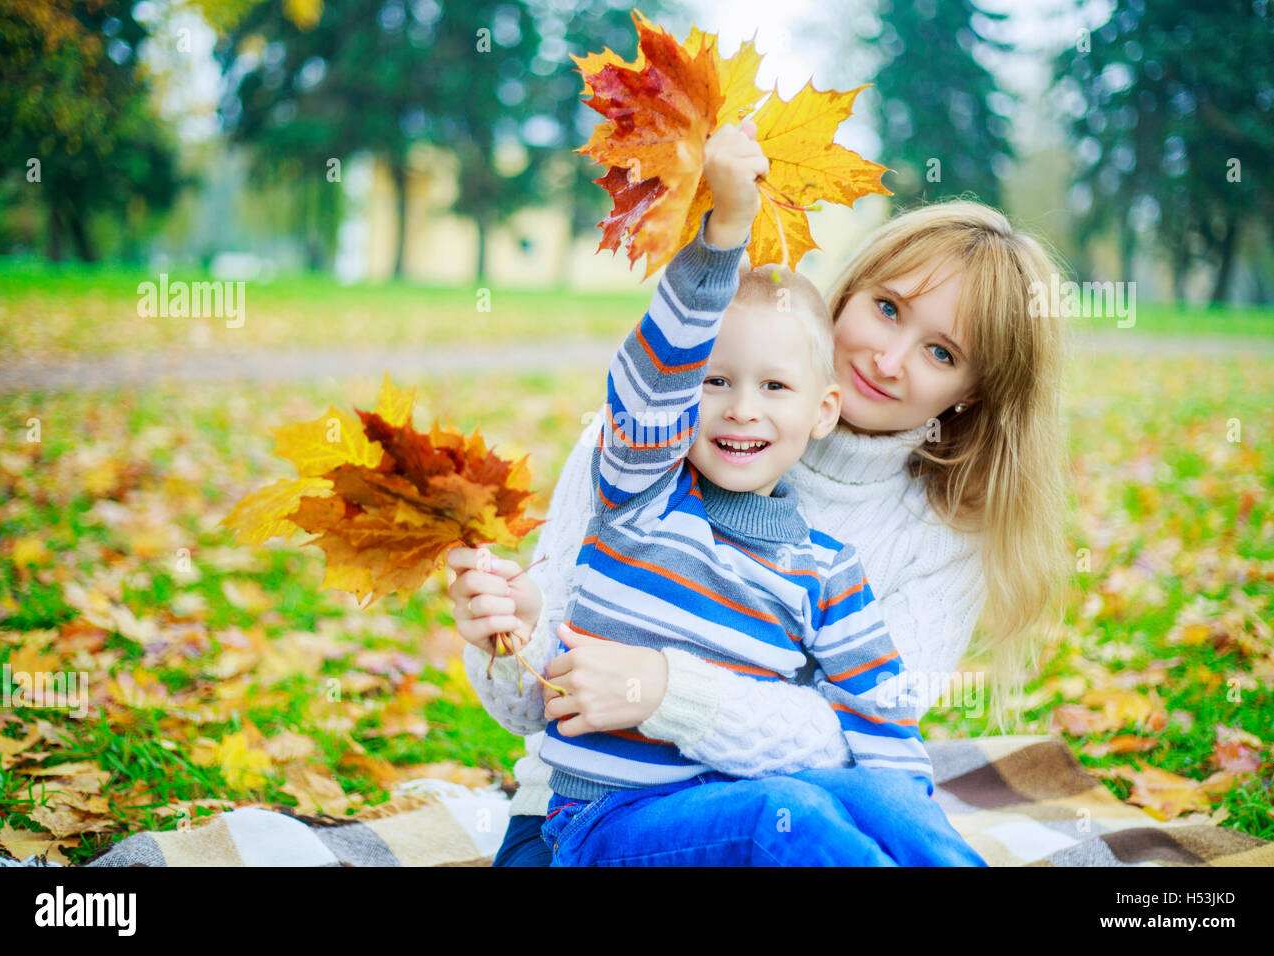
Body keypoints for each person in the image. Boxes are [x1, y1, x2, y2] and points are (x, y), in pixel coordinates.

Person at [448, 126, 1068, 865]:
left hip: (766, 817)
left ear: (973, 394)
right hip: (593, 826)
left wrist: (669, 690)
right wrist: (508, 633)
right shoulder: (649, 468)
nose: (887, 357)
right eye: (889, 308)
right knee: (791, 809)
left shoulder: (887, 551)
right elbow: (533, 694)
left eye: (942, 352)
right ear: (851, 290)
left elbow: (871, 736)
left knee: (864, 799)